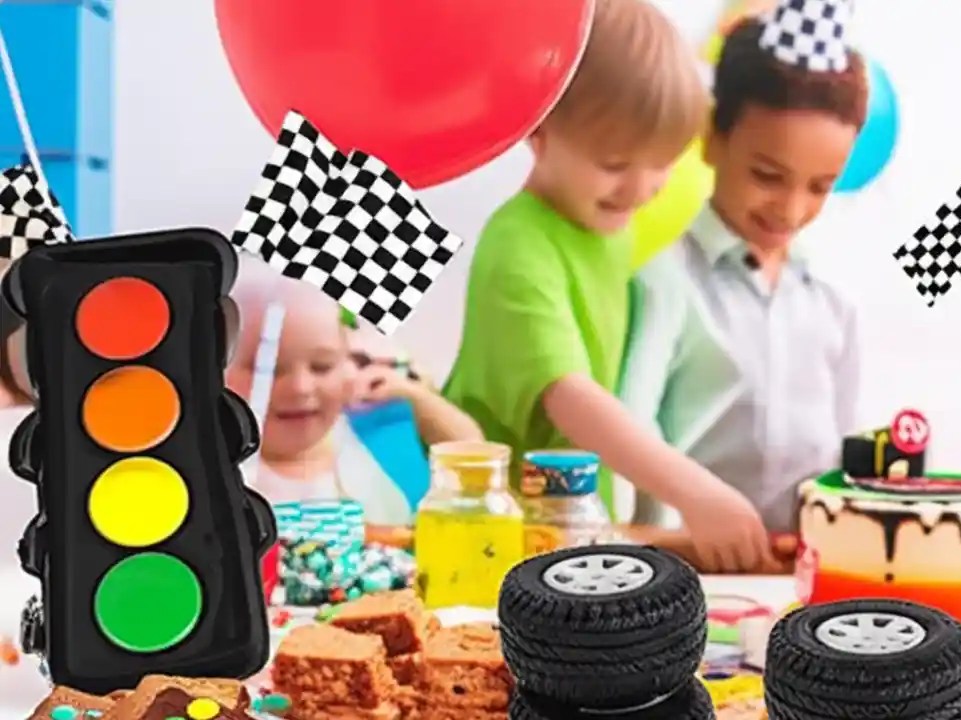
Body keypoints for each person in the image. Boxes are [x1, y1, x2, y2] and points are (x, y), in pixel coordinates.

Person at [443, 0, 779, 573]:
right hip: (490, 535)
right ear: (540, 130)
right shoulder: (517, 245)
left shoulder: (608, 231)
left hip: (563, 527)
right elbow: (572, 399)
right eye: (616, 162)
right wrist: (692, 490)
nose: (643, 187)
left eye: (663, 162)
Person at [620, 0, 867, 534]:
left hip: (803, 573)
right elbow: (626, 446)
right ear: (713, 140)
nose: (791, 209)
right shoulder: (665, 281)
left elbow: (844, 465)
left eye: (820, 186)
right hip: (687, 571)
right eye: (767, 175)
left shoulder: (833, 304)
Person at [228, 261, 481, 525]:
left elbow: (475, 456)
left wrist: (418, 398)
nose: (300, 387)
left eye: (322, 367)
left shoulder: (373, 435)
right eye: (270, 370)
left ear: (348, 364)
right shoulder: (214, 467)